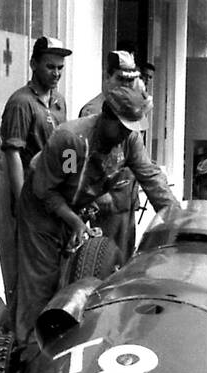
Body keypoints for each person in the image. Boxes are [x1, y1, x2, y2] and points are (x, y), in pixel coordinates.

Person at [13, 83, 178, 345]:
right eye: (122, 127)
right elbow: (48, 192)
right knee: (40, 285)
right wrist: (75, 222)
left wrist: (177, 225)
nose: (126, 134)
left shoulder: (130, 141)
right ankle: (28, 351)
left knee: (67, 285)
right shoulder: (71, 141)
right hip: (41, 211)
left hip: (73, 207)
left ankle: (63, 348)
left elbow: (152, 180)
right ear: (105, 114)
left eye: (131, 128)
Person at [79, 51, 148, 263]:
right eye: (120, 78)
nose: (126, 84)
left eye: (131, 79)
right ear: (107, 78)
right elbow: (82, 163)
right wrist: (96, 196)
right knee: (102, 264)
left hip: (126, 200)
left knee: (125, 263)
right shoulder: (94, 111)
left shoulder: (133, 107)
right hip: (105, 204)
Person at [1, 36, 71, 217]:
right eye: (50, 67)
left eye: (60, 68)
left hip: (56, 195)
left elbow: (65, 146)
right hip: (32, 194)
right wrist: (21, 201)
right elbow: (12, 154)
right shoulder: (21, 102)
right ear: (33, 64)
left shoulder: (59, 101)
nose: (56, 73)